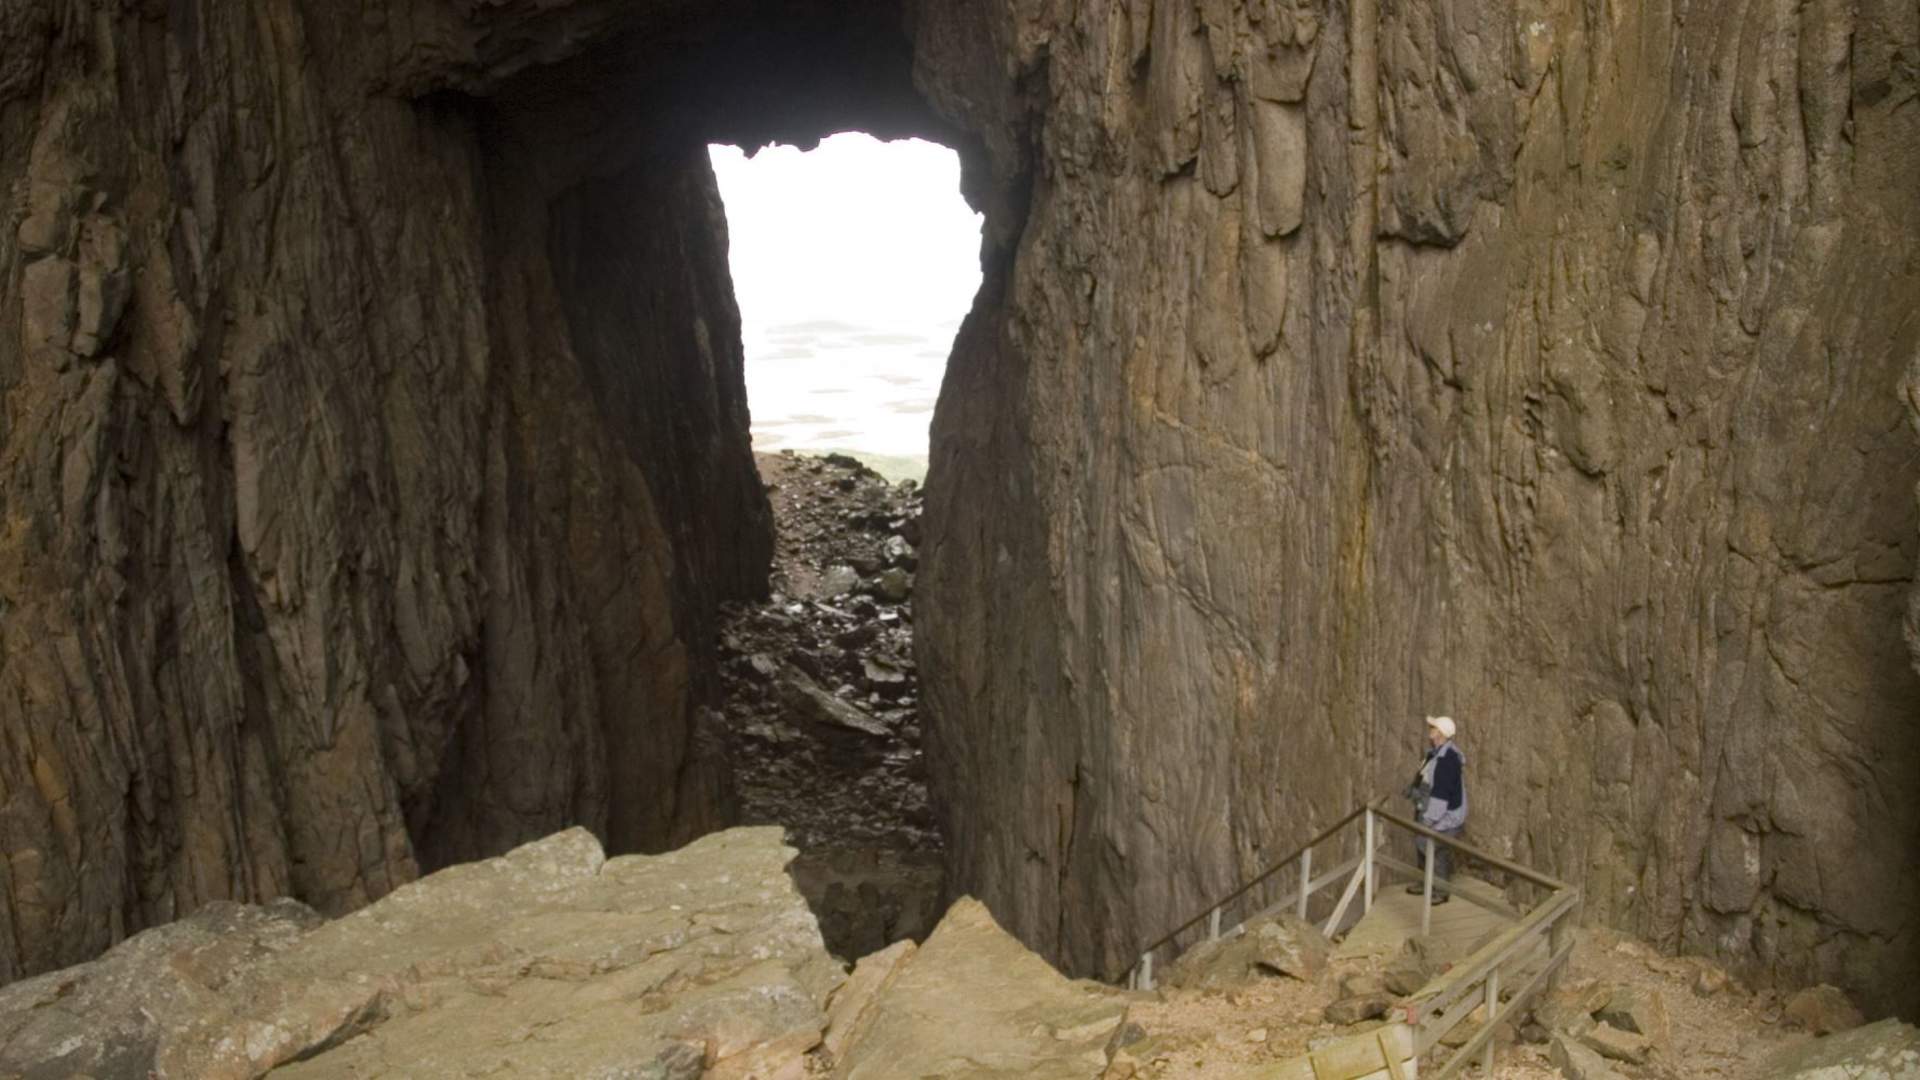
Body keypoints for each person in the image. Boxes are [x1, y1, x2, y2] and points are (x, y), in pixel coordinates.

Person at [1405, 715, 1467, 902]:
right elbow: (1426, 778)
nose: (1430, 730)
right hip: (1428, 807)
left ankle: (1440, 891)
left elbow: (1441, 795)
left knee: (1435, 849)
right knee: (1421, 844)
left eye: (1433, 728)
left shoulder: (1447, 760)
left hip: (1445, 817)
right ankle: (1425, 882)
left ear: (1440, 734)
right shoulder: (1436, 753)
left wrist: (1428, 820)